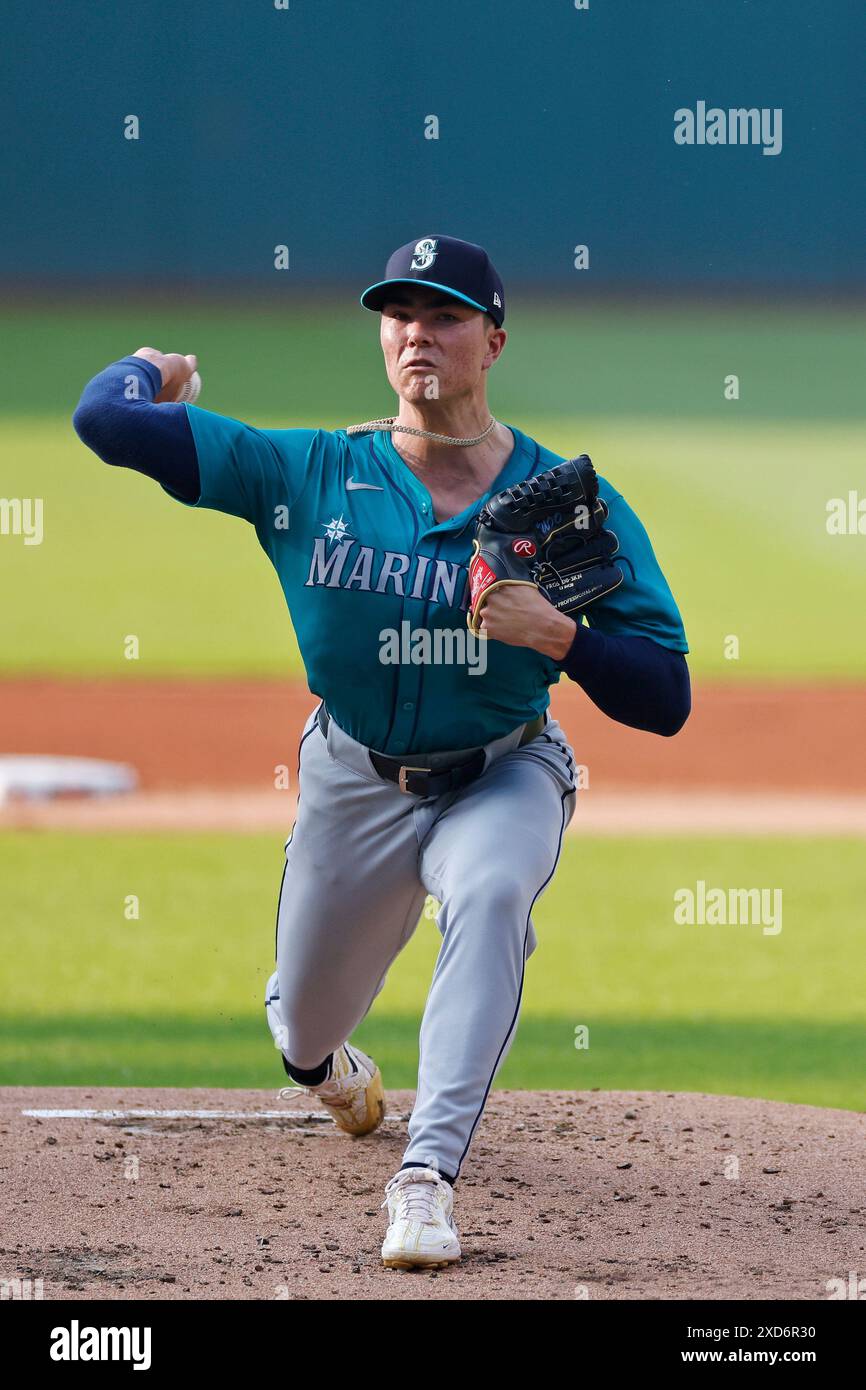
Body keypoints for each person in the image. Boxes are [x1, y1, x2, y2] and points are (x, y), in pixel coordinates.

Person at [72, 233, 690, 1271]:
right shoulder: (305, 470)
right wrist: (150, 368)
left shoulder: (564, 507)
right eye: (400, 315)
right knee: (304, 1031)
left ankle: (425, 1178)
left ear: (491, 341)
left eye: (445, 315)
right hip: (352, 780)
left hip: (503, 770)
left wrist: (562, 637)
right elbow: (104, 420)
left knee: (490, 894)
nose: (418, 334)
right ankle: (319, 1059)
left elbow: (665, 695)